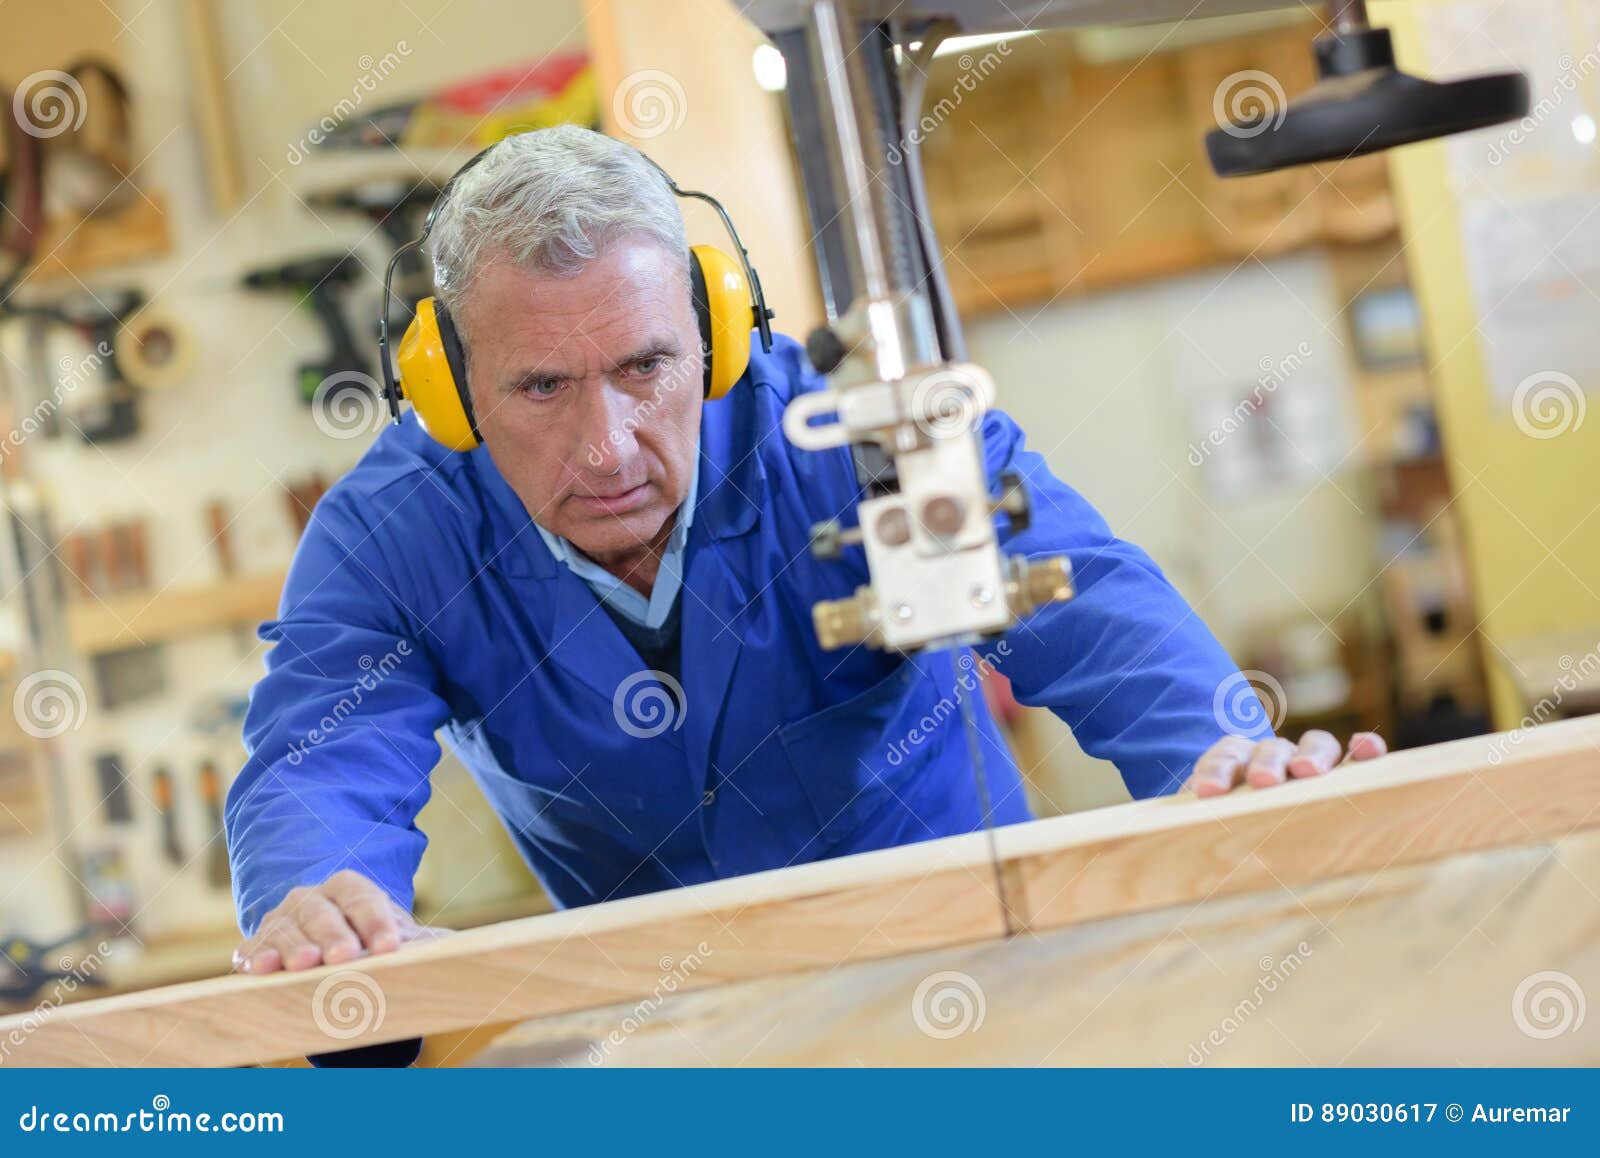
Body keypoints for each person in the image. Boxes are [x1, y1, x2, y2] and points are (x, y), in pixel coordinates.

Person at [227, 126, 1384, 977]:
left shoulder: (850, 435)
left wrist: (1220, 759)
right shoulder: (391, 535)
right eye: (539, 387)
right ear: (450, 387)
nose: (608, 443)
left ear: (715, 331)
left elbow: (1084, 596)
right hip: (683, 1032)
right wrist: (325, 909)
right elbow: (315, 764)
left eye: (645, 366)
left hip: (987, 972)